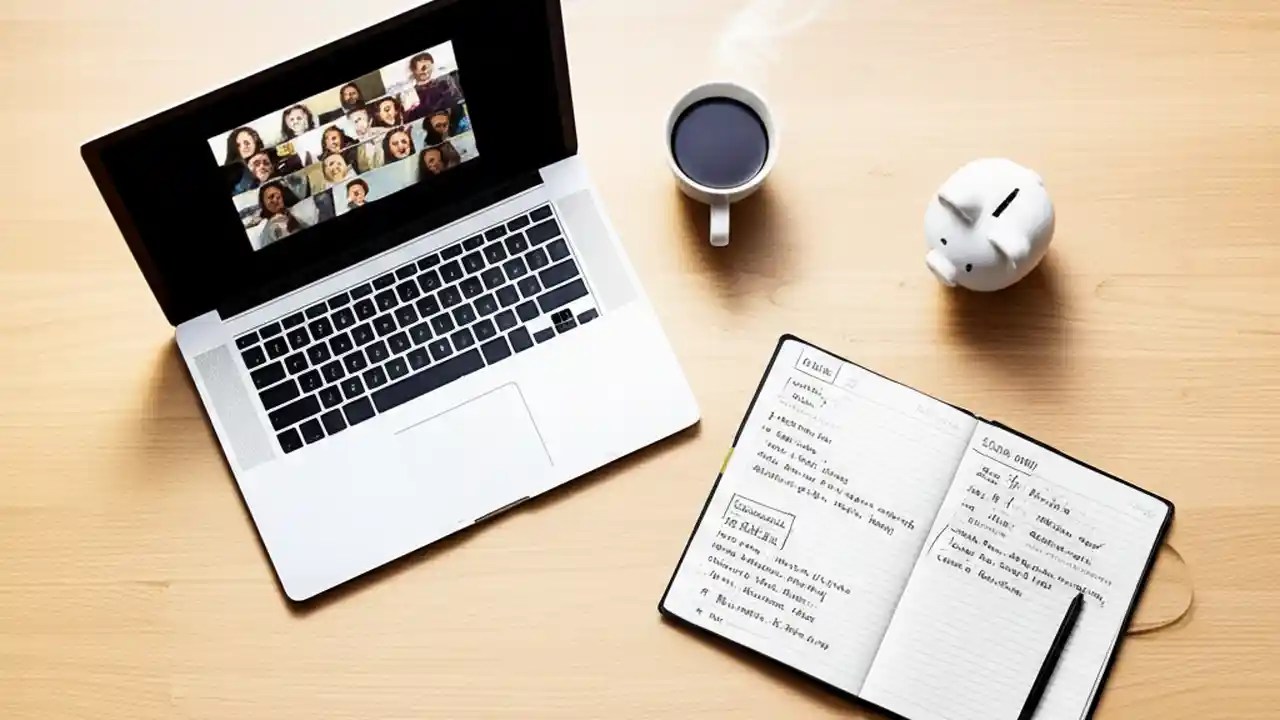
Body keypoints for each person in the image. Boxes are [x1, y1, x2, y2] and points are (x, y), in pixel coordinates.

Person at [406, 52, 462, 119]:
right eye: (421, 68)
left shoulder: (445, 79)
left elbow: (456, 98)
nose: (425, 71)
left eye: (428, 66)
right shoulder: (410, 91)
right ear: (413, 70)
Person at [254, 181, 307, 246]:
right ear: (264, 204)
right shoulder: (272, 227)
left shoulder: (294, 213)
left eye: (278, 196)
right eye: (271, 197)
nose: (275, 200)